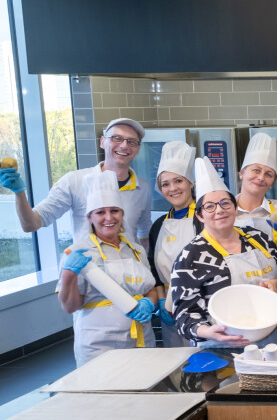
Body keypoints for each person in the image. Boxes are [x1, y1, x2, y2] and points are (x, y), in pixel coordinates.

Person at [171, 157, 277, 348]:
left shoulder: (258, 239)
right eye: (210, 206)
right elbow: (184, 314)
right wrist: (207, 331)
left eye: (225, 203)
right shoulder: (191, 256)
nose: (219, 210)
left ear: (235, 208)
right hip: (222, 348)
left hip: (274, 343)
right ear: (199, 215)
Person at [3, 117, 152, 248]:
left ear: (137, 149)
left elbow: (143, 234)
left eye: (131, 141)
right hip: (87, 274)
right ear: (102, 142)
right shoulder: (74, 181)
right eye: (116, 138)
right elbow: (31, 224)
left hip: (128, 276)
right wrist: (19, 193)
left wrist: (145, 267)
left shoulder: (143, 187)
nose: (124, 145)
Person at [57, 170, 157, 365]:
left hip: (140, 341)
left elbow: (150, 290)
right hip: (98, 346)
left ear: (122, 213)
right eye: (100, 212)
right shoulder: (76, 252)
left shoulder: (135, 249)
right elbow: (70, 307)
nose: (108, 217)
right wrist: (69, 273)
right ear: (89, 218)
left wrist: (150, 303)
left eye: (114, 210)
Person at [148, 141, 199, 347]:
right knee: (176, 367)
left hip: (199, 303)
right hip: (168, 306)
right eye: (165, 184)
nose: (173, 188)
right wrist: (162, 301)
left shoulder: (205, 218)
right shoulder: (158, 225)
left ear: (190, 183)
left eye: (178, 181)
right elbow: (153, 268)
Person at [235, 132, 277, 250]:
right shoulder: (225, 210)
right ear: (241, 173)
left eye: (268, 174)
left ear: (272, 183)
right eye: (256, 170)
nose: (261, 178)